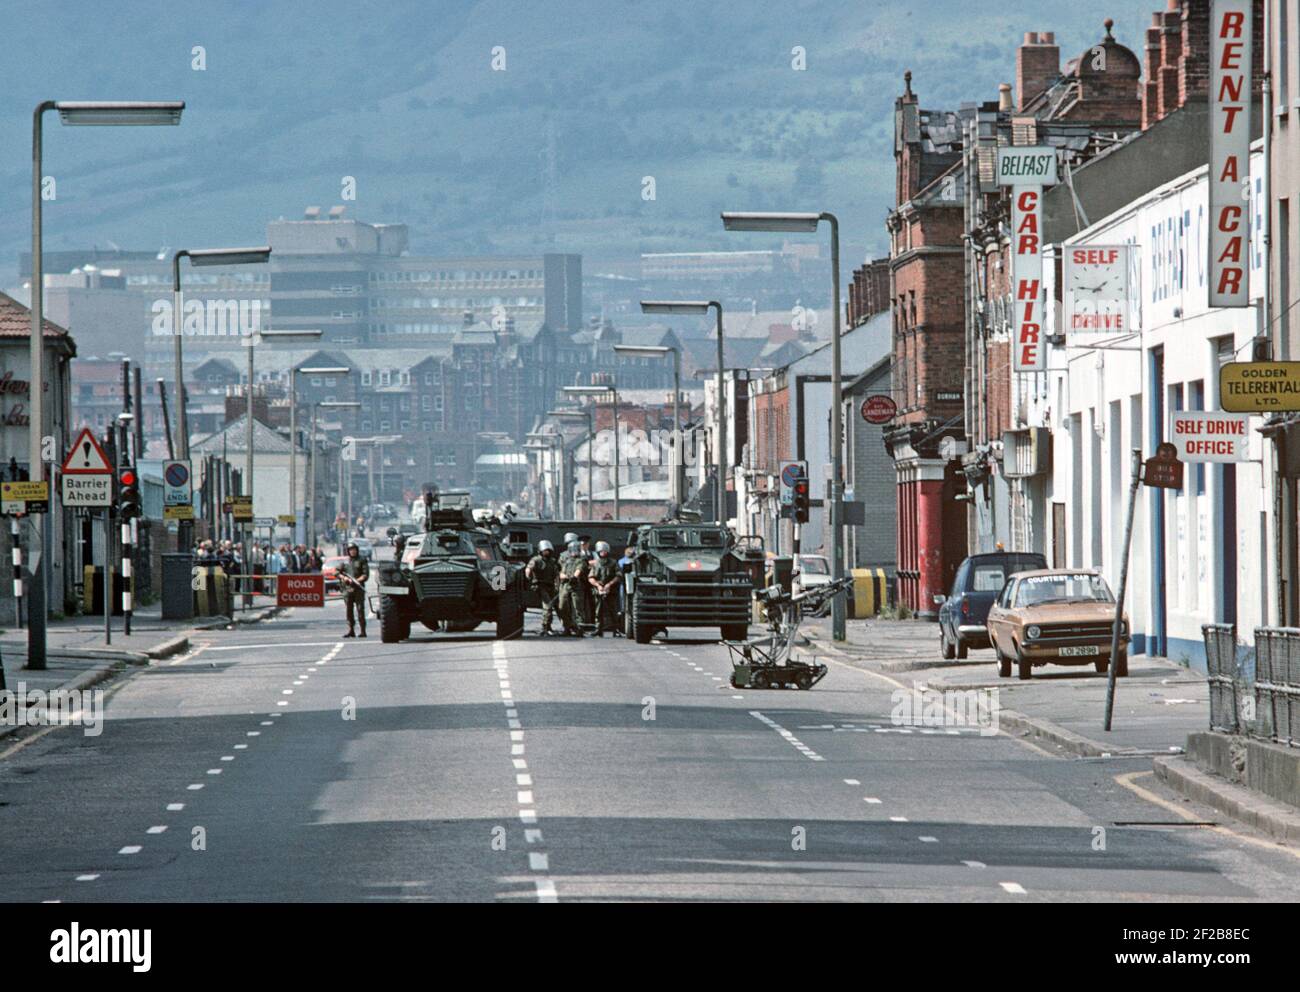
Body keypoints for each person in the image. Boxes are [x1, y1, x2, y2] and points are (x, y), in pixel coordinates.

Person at [525, 540, 560, 636]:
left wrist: (557, 585)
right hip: (540, 586)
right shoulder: (536, 560)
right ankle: (545, 627)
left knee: (557, 606)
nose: (547, 552)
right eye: (545, 550)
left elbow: (556, 574)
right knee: (548, 606)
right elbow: (529, 568)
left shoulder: (552, 561)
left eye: (548, 550)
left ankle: (554, 627)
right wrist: (528, 575)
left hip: (550, 586)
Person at [589, 541, 621, 636]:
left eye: (604, 551)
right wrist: (598, 586)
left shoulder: (613, 562)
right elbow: (590, 577)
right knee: (598, 611)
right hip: (599, 589)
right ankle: (598, 629)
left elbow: (618, 575)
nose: (603, 553)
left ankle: (616, 629)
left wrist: (609, 584)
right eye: (601, 551)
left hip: (611, 590)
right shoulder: (596, 564)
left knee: (613, 610)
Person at [557, 539, 588, 636]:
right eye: (572, 550)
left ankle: (579, 628)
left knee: (578, 608)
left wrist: (574, 577)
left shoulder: (581, 560)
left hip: (576, 586)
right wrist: (565, 577)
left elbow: (579, 569)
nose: (574, 552)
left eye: (576, 549)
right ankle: (567, 627)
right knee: (562, 607)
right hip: (565, 586)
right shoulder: (566, 561)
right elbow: (561, 573)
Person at [339, 542, 370, 638]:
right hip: (347, 589)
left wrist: (357, 580)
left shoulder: (362, 560)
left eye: (354, 549)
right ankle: (351, 630)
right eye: (351, 550)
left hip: (358, 589)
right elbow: (336, 572)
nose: (353, 551)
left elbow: (365, 574)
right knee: (349, 611)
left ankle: (363, 631)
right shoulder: (345, 562)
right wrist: (344, 578)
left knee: (360, 610)